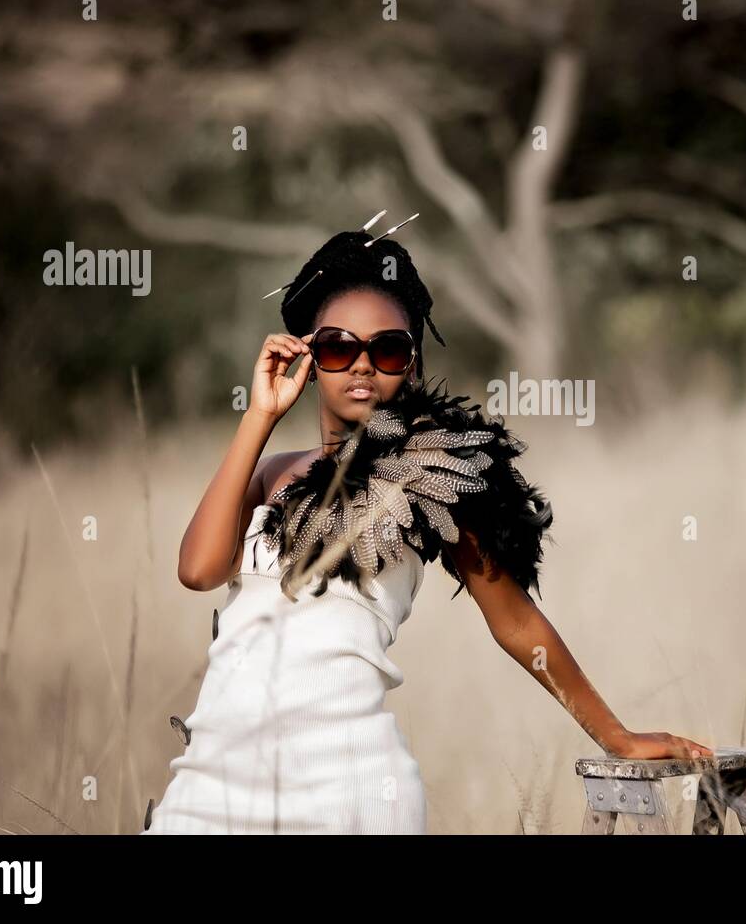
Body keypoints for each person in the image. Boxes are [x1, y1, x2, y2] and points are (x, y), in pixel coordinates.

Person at [142, 218, 712, 833]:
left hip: (346, 790)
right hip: (211, 787)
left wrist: (618, 737)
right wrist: (260, 416)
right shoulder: (267, 473)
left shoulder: (429, 471)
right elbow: (197, 570)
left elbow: (515, 620)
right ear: (308, 356)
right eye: (338, 346)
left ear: (410, 365)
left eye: (386, 349)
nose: (362, 365)